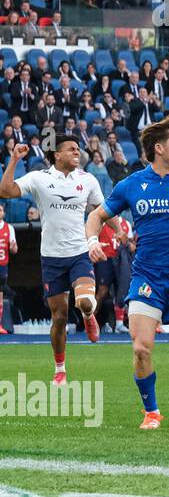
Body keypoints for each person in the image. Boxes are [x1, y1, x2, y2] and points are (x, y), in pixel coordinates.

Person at [84, 119, 169, 429]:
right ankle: (152, 413)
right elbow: (96, 216)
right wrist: (93, 240)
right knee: (141, 347)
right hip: (148, 278)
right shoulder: (132, 185)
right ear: (159, 148)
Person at [1, 137, 105, 384]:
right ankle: (60, 368)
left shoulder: (87, 179)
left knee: (84, 302)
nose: (77, 152)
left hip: (79, 254)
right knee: (59, 316)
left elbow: (102, 210)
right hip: (51, 258)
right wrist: (15, 159)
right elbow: (5, 191)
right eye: (71, 149)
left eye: (78, 149)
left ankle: (89, 315)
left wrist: (120, 231)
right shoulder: (40, 178)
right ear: (57, 155)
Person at [0, 203, 13, 334]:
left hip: (2, 266)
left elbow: (14, 249)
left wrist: (13, 247)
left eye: (0, 210)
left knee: (0, 294)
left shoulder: (9, 228)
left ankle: (0, 324)